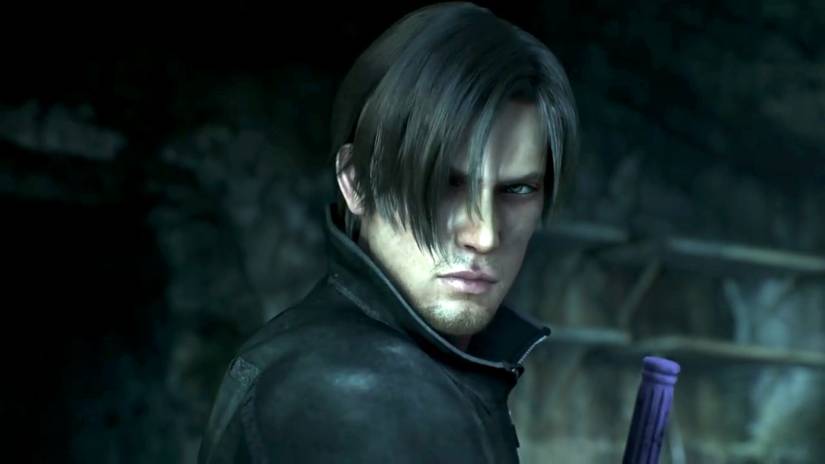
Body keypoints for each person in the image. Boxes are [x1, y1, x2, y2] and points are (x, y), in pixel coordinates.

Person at [198, 2, 578, 463]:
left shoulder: (379, 374)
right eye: (444, 184)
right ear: (357, 182)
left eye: (516, 189)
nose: (484, 236)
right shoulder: (350, 396)